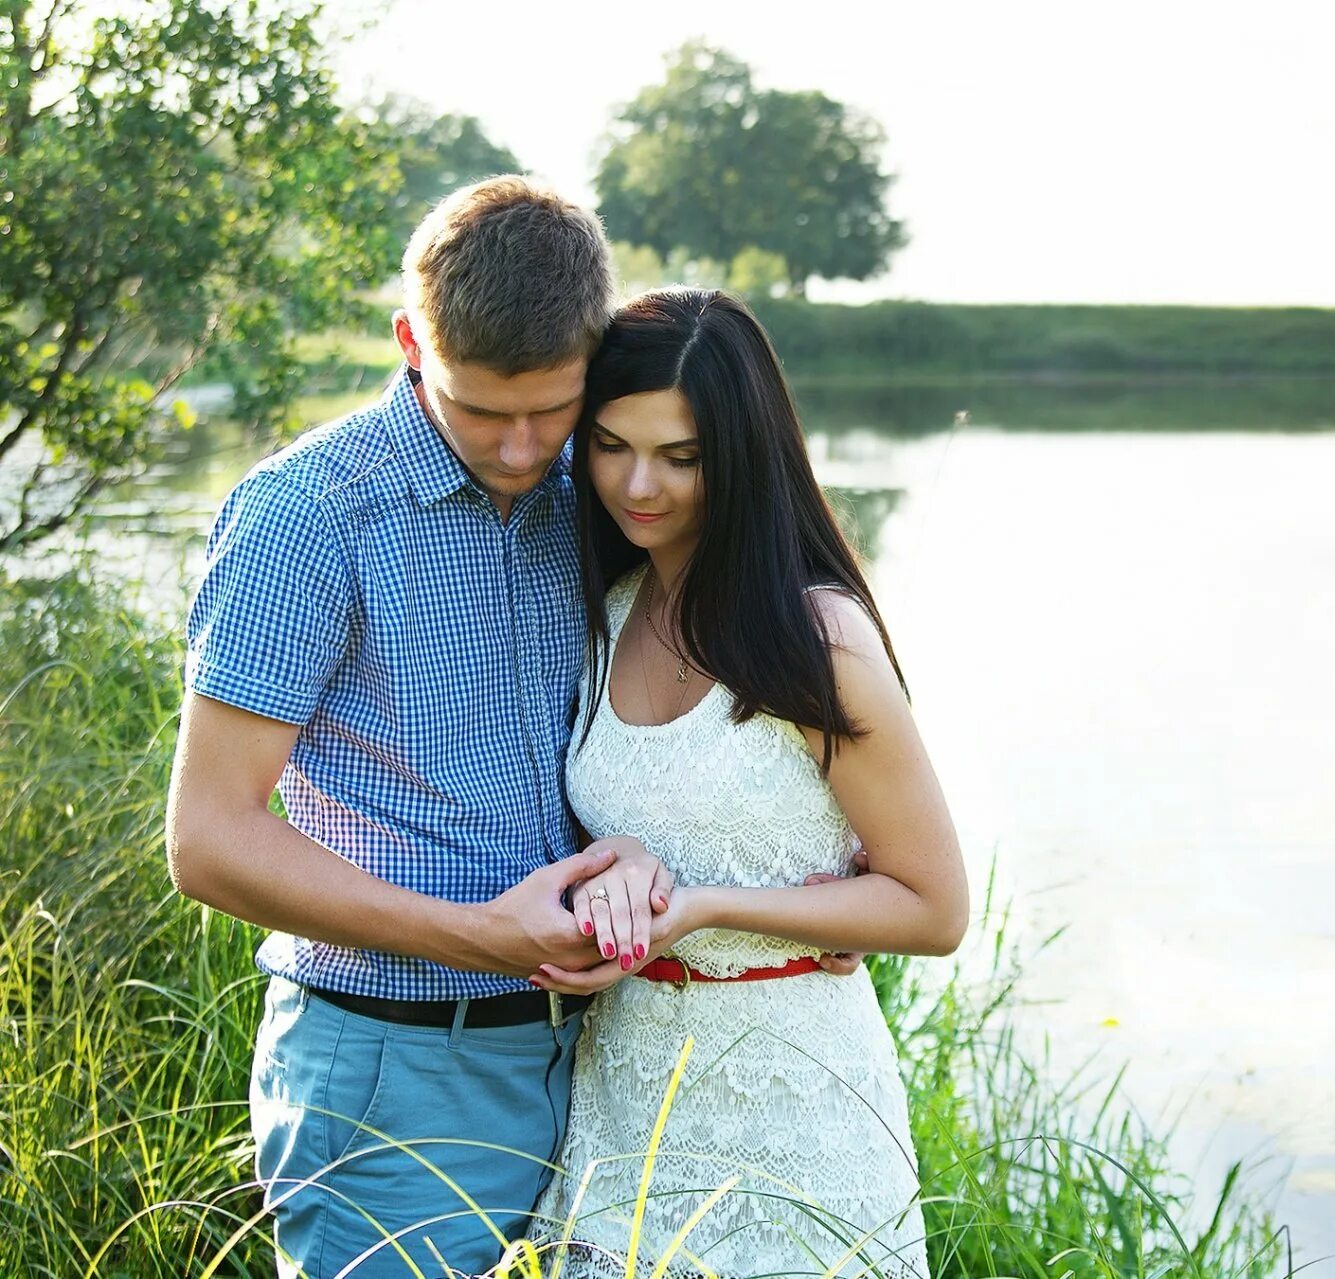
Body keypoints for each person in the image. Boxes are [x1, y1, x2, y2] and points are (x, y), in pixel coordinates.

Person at [164, 176, 695, 1277]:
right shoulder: (305, 517)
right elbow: (207, 838)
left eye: (550, 408)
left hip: (598, 1067)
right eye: (480, 410)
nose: (518, 447)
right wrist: (475, 937)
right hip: (389, 1077)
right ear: (410, 343)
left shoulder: (592, 489)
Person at [523, 289, 969, 1278]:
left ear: (744, 453)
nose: (640, 484)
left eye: (683, 456)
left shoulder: (817, 639)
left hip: (796, 1103)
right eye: (610, 444)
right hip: (624, 1096)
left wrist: (705, 905)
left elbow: (936, 906)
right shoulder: (608, 605)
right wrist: (623, 866)